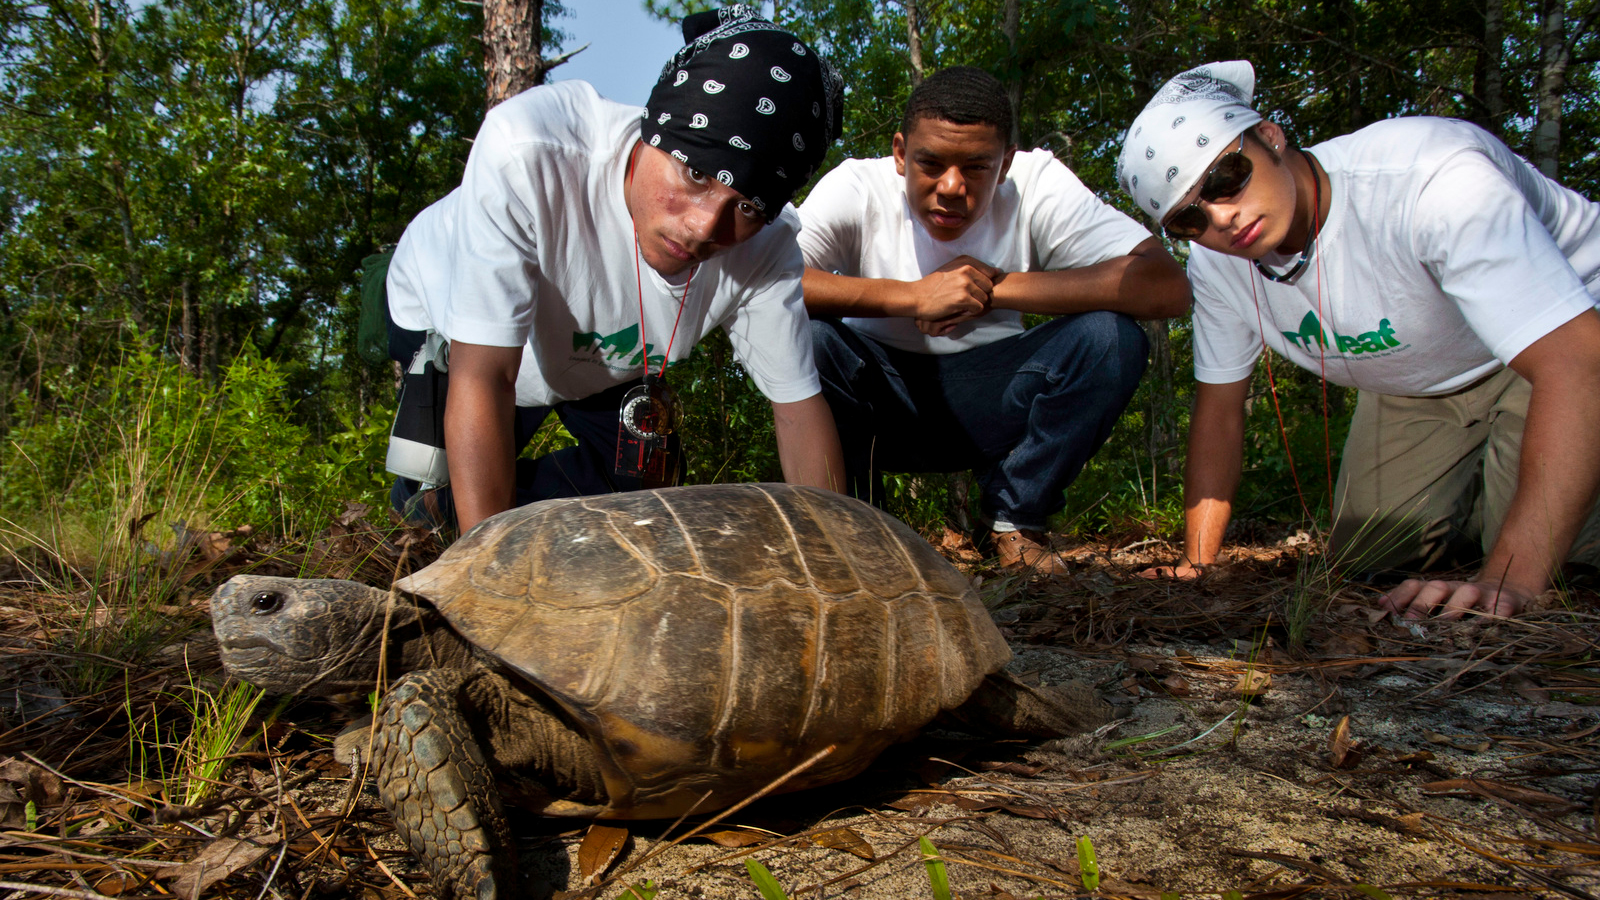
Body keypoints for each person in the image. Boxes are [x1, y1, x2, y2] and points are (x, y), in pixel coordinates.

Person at [1117, 61, 1600, 618]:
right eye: (1189, 220)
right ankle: (1485, 502)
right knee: (1369, 555)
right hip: (1417, 379)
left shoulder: (1431, 177)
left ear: (1271, 137)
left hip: (1559, 336)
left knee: (1549, 565)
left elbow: (1576, 364)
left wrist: (1510, 577)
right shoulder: (1218, 265)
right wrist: (1198, 564)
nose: (1221, 218)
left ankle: (1504, 520)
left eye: (1226, 179)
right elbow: (1221, 408)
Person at [381, 5, 848, 535]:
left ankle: (518, 515)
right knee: (434, 522)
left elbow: (797, 410)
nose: (701, 228)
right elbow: (485, 376)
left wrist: (833, 559)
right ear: (654, 126)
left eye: (745, 208)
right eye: (694, 172)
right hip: (455, 322)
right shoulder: (530, 152)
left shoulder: (769, 247)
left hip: (598, 351)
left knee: (647, 505)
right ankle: (436, 504)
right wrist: (487, 572)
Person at [796, 66, 1190, 574]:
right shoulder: (856, 186)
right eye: (931, 163)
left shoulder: (1037, 184)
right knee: (808, 337)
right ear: (899, 153)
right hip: (879, 402)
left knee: (1110, 338)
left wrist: (992, 288)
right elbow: (777, 281)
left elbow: (1165, 285)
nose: (951, 187)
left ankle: (1013, 520)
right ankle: (857, 529)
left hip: (992, 398)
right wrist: (915, 297)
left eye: (976, 167)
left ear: (1005, 164)